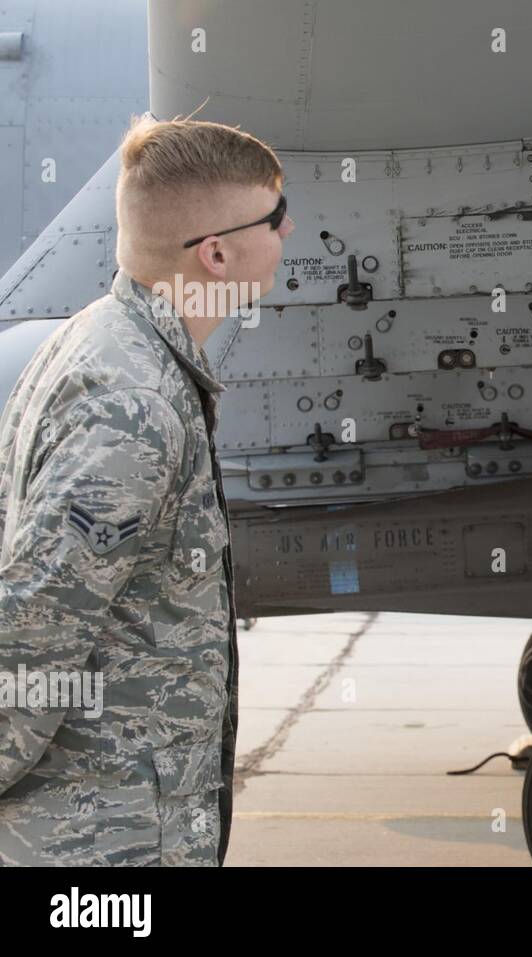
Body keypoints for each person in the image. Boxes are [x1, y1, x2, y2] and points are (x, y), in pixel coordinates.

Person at [0, 116, 293, 865]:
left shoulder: (112, 346)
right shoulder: (133, 404)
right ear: (217, 253)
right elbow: (32, 633)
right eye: (276, 218)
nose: (288, 234)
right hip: (100, 845)